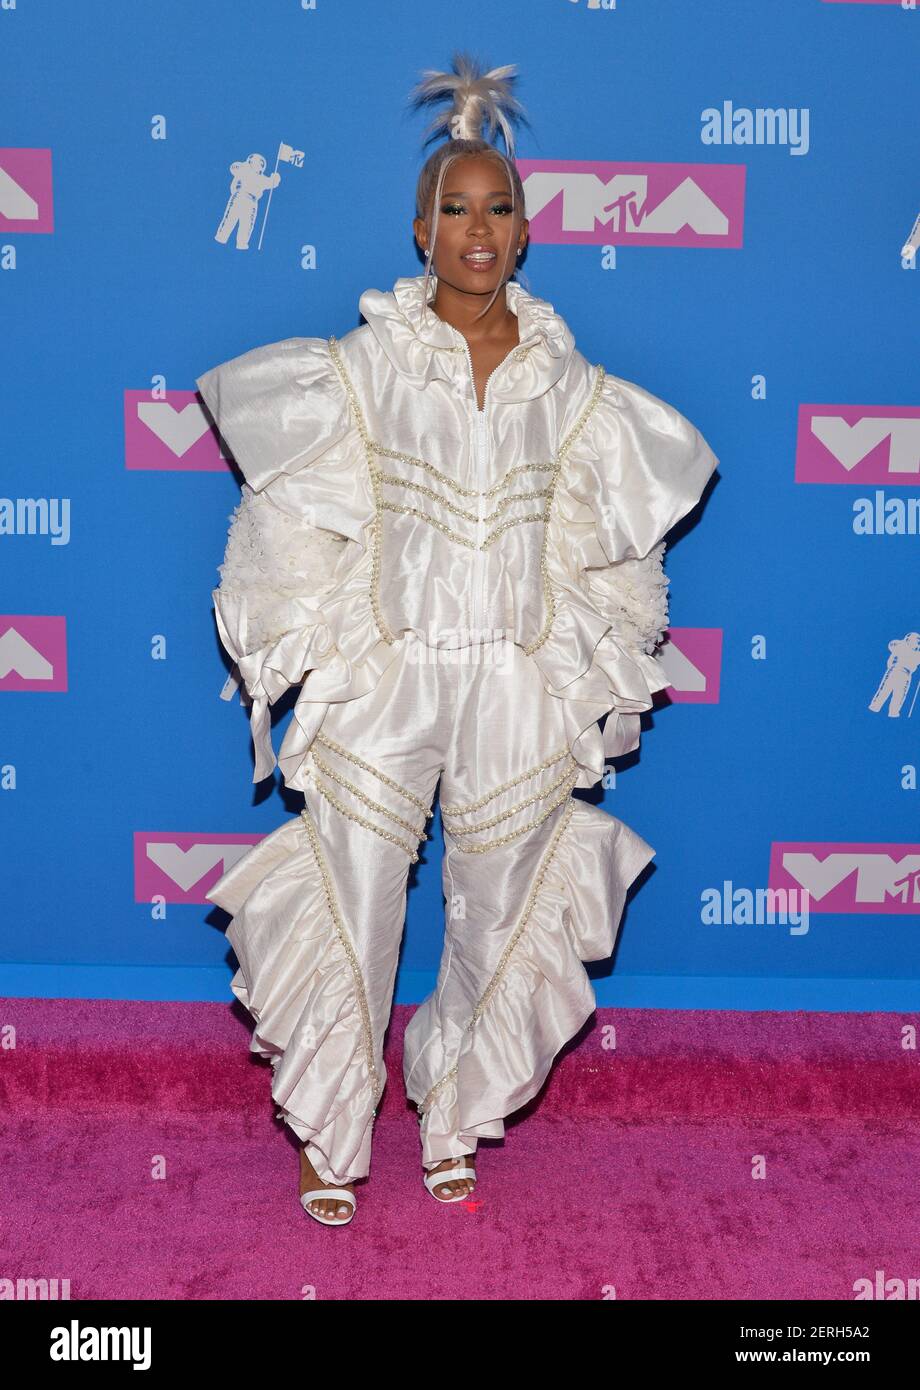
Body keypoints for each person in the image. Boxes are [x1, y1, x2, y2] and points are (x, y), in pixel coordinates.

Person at [195, 53, 719, 1227]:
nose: (475, 231)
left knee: (496, 908)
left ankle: (452, 1106)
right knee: (354, 898)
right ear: (419, 227)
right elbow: (283, 522)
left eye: (497, 209)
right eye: (453, 209)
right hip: (390, 677)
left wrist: (592, 664)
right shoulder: (360, 368)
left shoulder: (571, 390)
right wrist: (304, 649)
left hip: (514, 687)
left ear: (525, 231)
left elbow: (615, 549)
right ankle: (333, 1128)